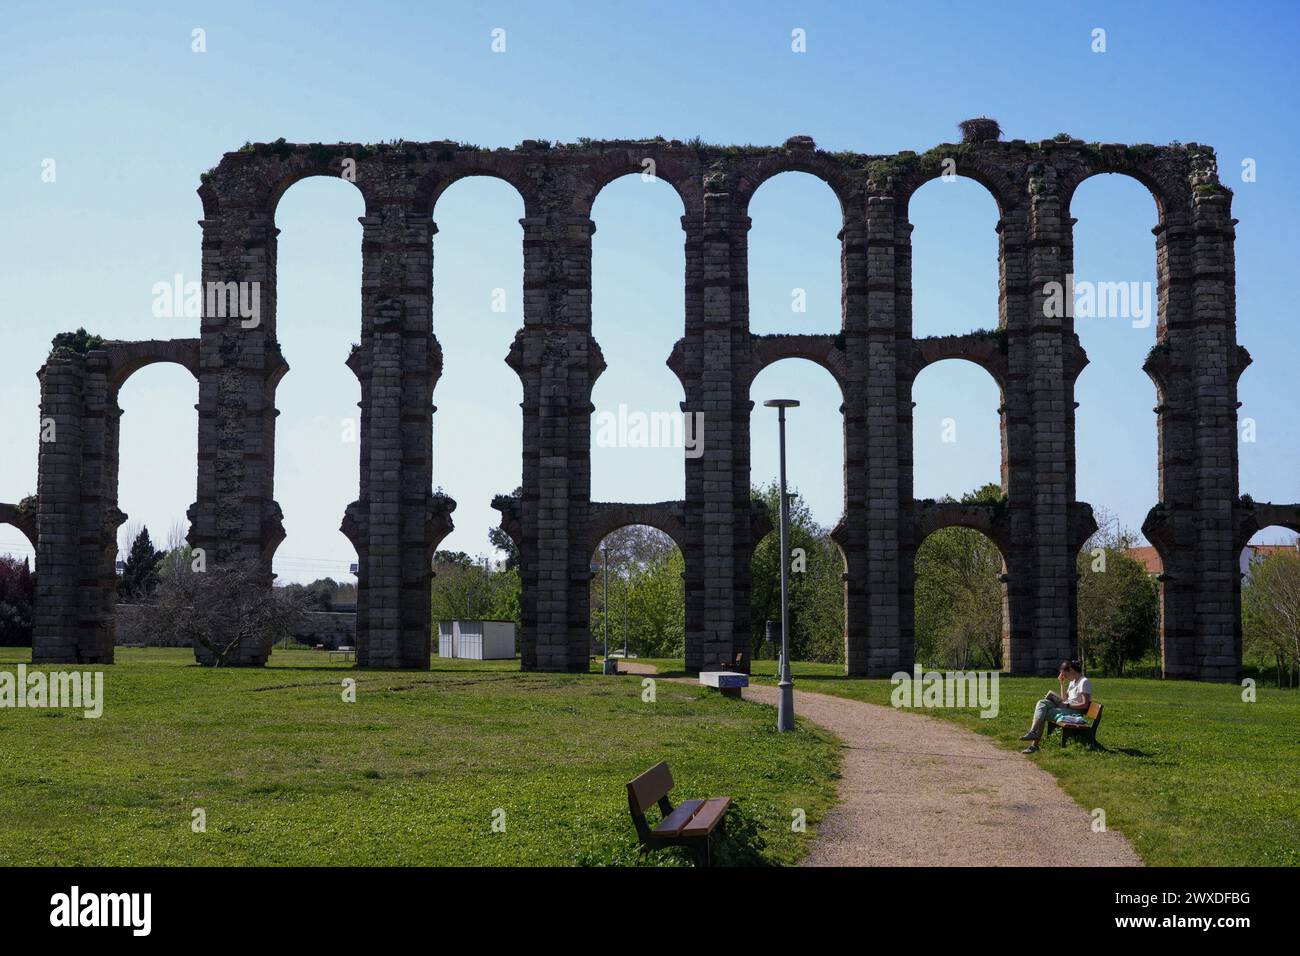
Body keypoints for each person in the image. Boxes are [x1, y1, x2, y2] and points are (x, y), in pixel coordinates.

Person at [1020, 659, 1092, 754]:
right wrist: (1062, 684)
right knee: (1042, 702)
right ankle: (1033, 734)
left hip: (1074, 712)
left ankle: (1034, 744)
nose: (1064, 677)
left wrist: (1068, 705)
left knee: (1043, 712)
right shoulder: (1073, 681)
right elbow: (1064, 699)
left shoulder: (1084, 682)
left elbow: (1085, 704)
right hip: (1066, 708)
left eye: (1065, 674)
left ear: (1071, 670)